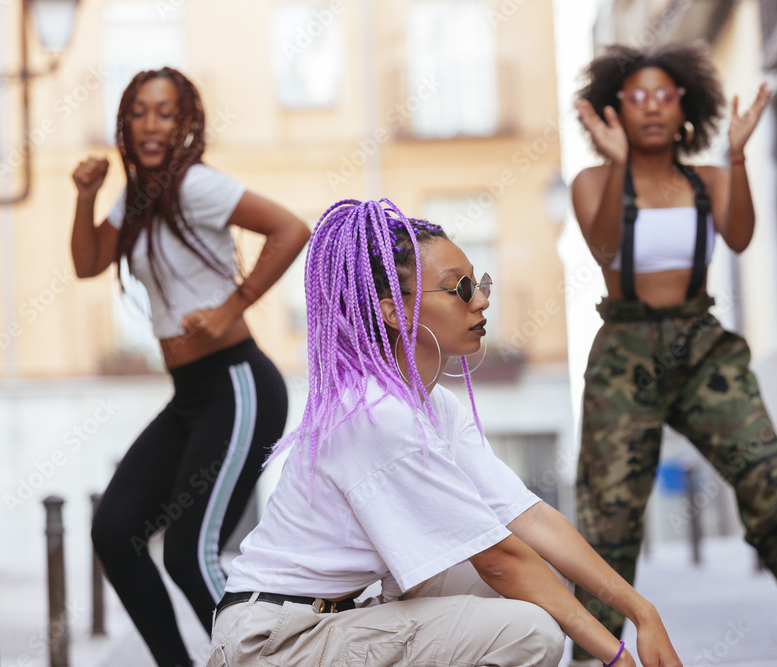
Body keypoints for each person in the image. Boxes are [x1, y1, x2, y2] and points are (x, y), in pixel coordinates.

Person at [207, 198, 683, 667]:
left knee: (545, 574)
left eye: (479, 282)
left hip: (326, 623)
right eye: (460, 287)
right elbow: (501, 559)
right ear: (395, 312)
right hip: (273, 645)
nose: (481, 299)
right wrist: (617, 658)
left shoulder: (435, 407)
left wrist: (643, 612)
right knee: (529, 633)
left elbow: (529, 520)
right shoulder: (375, 416)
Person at [570, 43, 777, 667]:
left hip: (702, 349)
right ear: (612, 108)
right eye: (635, 96)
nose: (650, 107)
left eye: (664, 95)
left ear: (684, 108)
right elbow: (604, 251)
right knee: (608, 515)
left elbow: (742, 235)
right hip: (624, 355)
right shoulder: (593, 181)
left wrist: (736, 154)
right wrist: (618, 166)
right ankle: (596, 657)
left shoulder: (712, 178)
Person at [69, 67, 310, 667]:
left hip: (238, 385)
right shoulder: (138, 196)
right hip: (191, 397)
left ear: (186, 125)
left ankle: (265, 661)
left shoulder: (196, 185)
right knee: (115, 530)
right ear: (125, 122)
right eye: (139, 112)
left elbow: (290, 228)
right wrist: (84, 196)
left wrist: (233, 306)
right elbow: (87, 262)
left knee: (188, 552)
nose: (151, 124)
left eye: (166, 112)